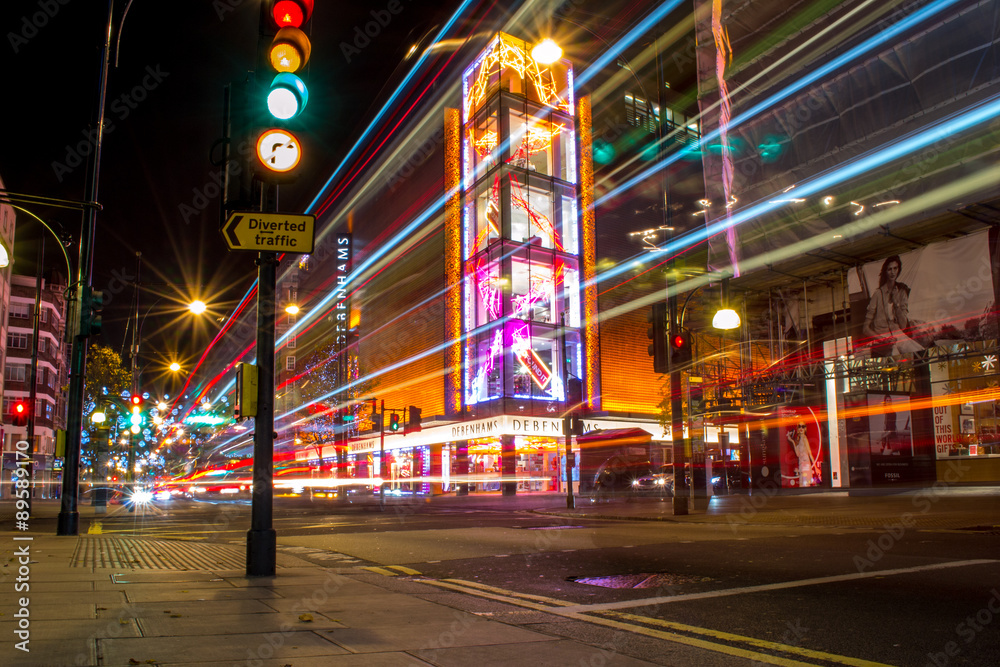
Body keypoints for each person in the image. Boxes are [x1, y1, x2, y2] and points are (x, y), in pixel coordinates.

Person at [863, 255, 923, 356]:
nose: (893, 272)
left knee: (920, 351)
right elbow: (866, 329)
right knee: (896, 358)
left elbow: (903, 326)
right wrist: (882, 339)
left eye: (895, 268)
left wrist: (896, 303)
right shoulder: (878, 294)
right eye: (889, 269)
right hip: (883, 336)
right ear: (885, 271)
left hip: (898, 334)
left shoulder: (901, 291)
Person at [786, 422, 816, 487]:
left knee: (804, 486)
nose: (801, 428)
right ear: (797, 428)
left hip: (805, 465)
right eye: (799, 426)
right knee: (801, 486)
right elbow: (797, 454)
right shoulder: (798, 439)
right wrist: (792, 441)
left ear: (805, 429)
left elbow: (809, 452)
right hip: (801, 465)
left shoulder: (805, 438)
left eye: (803, 426)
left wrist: (815, 467)